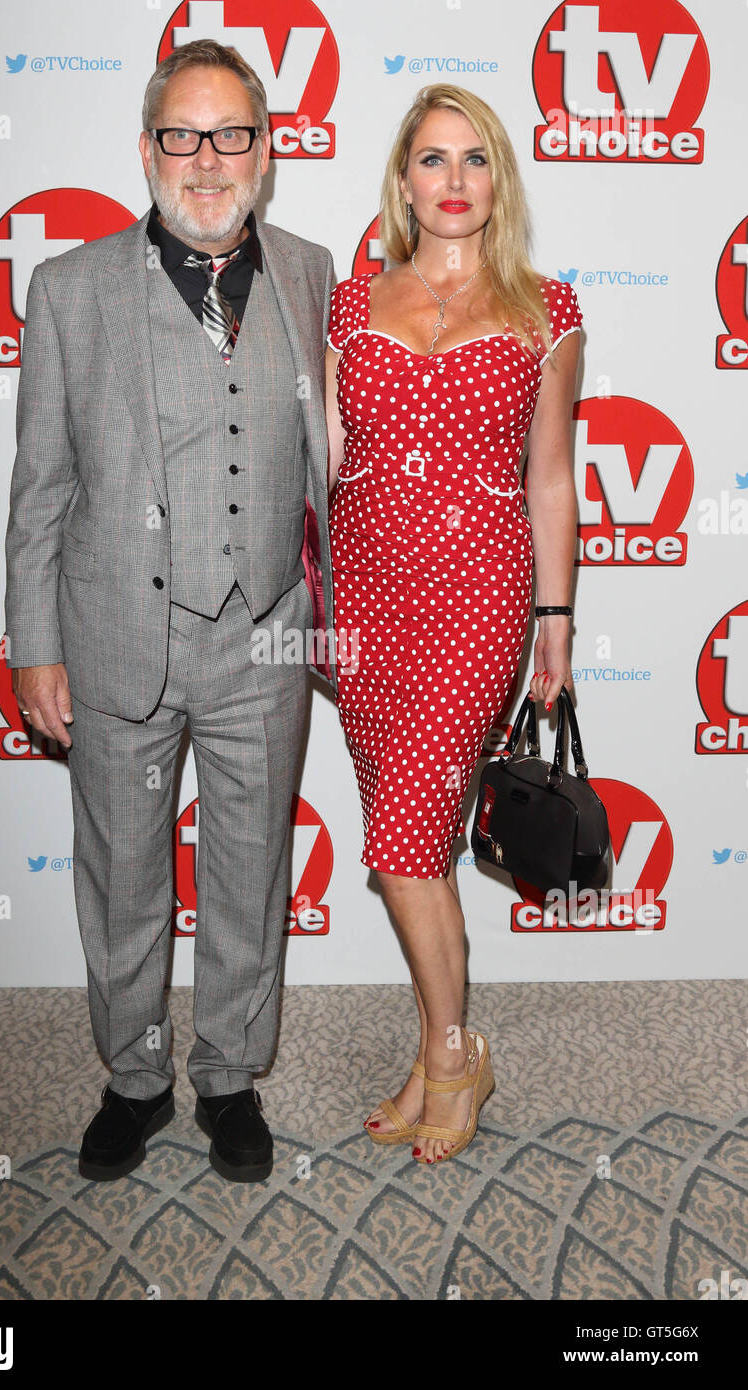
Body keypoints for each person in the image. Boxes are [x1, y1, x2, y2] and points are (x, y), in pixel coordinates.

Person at [4, 40, 335, 1184]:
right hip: (115, 634)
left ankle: (229, 1076)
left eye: (230, 134)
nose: (207, 159)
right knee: (124, 877)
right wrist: (35, 645)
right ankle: (136, 1079)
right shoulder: (70, 287)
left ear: (265, 150)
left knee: (249, 869)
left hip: (267, 635)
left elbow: (334, 468)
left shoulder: (310, 272)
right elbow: (40, 488)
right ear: (147, 149)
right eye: (182, 135)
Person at [324, 84, 581, 1165]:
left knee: (400, 841)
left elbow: (550, 478)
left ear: (498, 180)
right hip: (362, 599)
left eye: (475, 158)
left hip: (476, 594)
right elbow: (324, 464)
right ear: (403, 180)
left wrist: (554, 617)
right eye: (433, 158)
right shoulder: (349, 305)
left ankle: (453, 1058)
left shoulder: (545, 310)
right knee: (411, 847)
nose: (455, 179)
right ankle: (437, 1048)